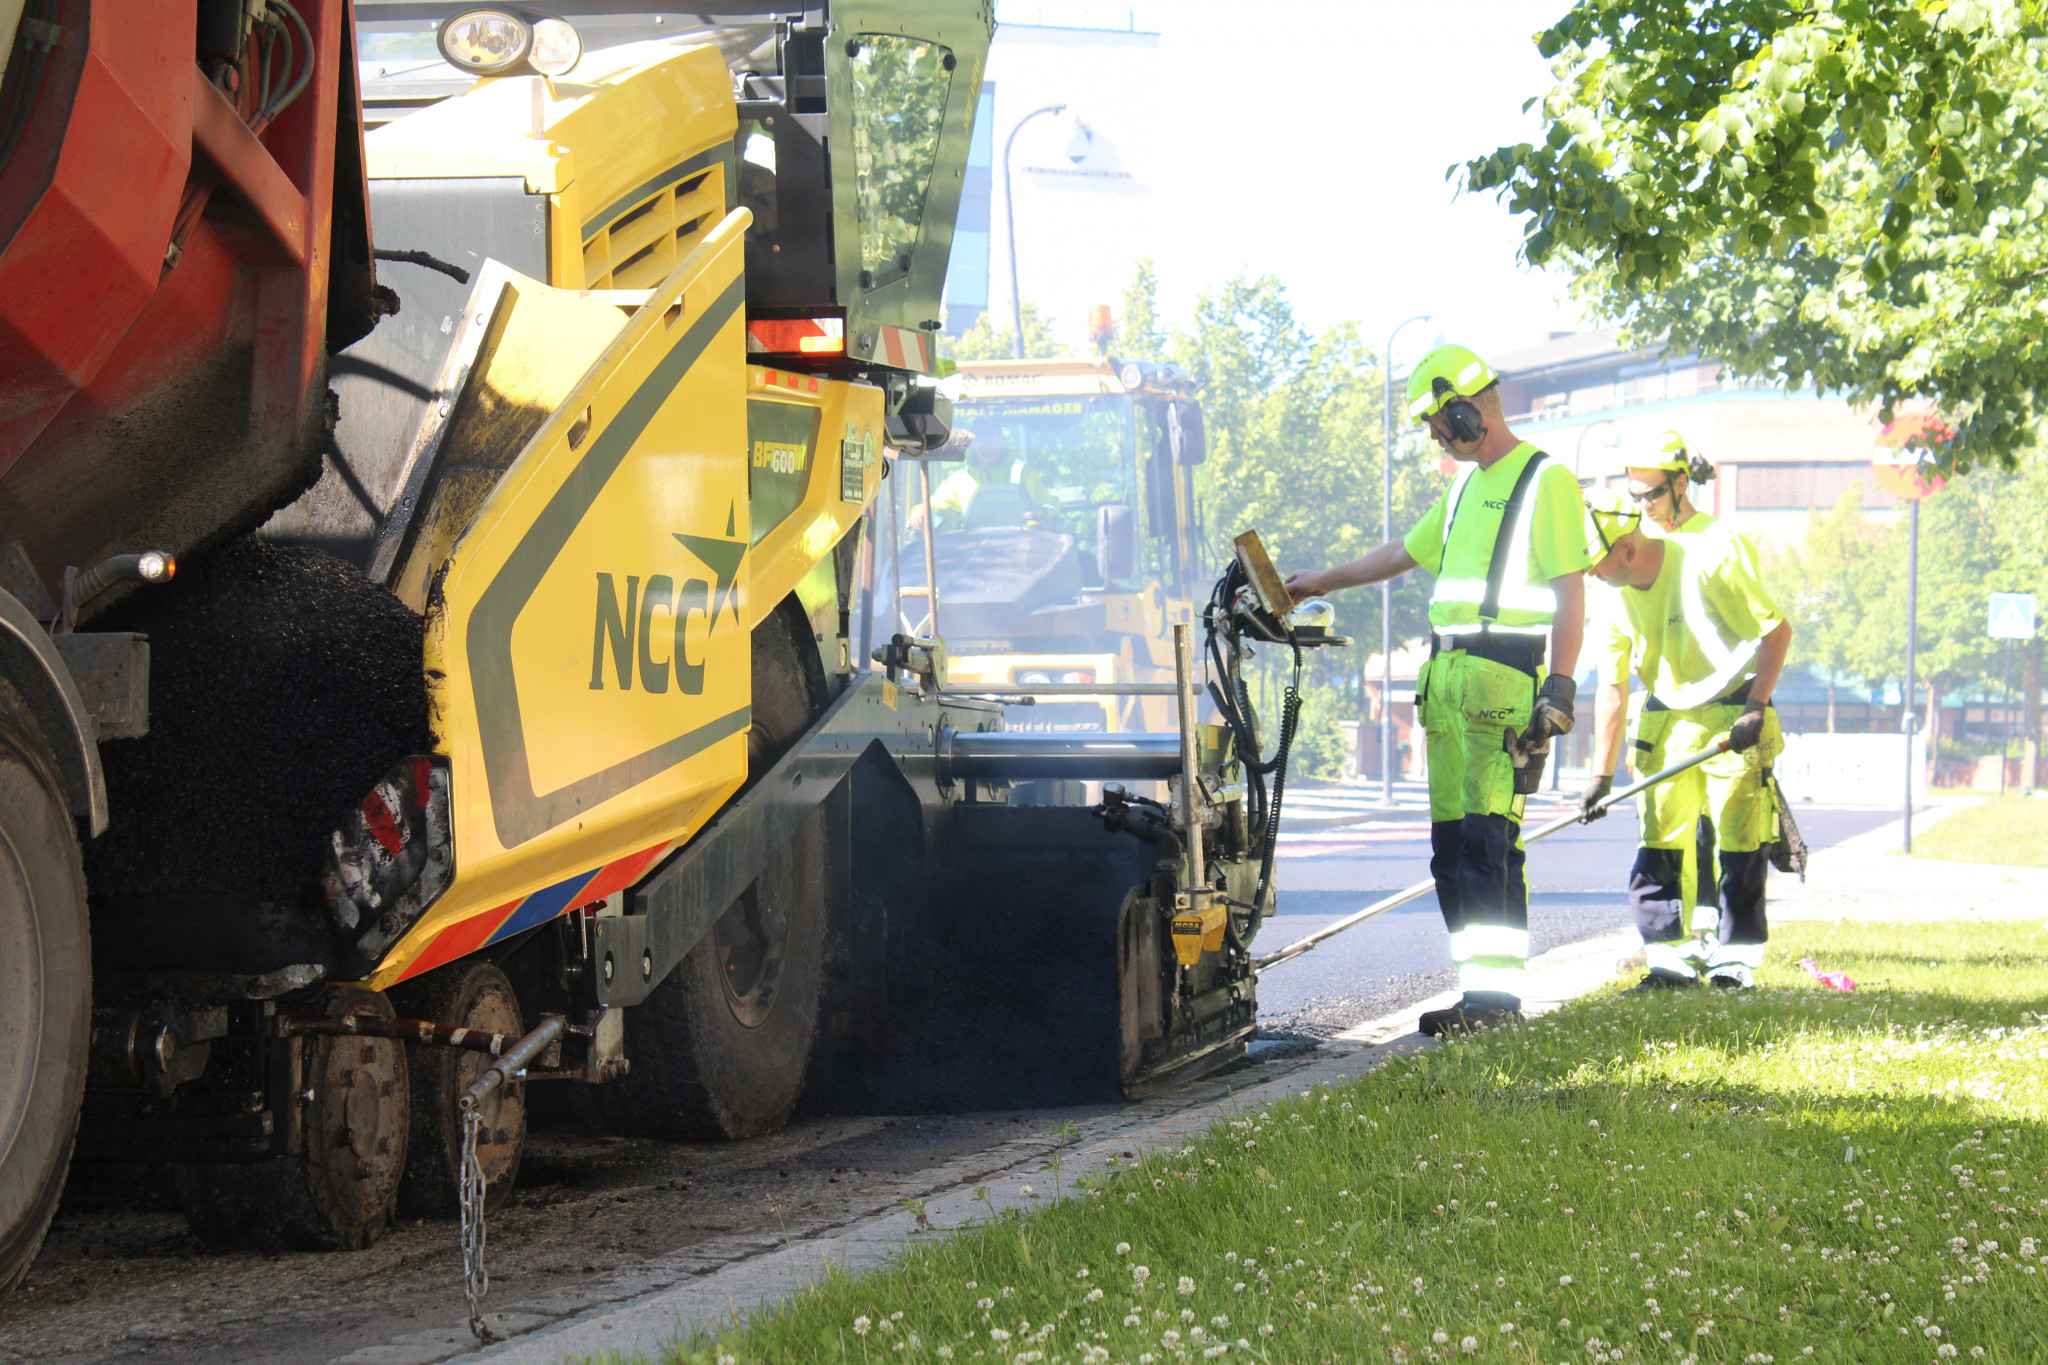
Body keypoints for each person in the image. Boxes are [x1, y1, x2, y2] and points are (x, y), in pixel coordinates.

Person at [1283, 344, 1590, 1034]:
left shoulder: (1547, 481)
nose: (1433, 435)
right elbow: (1399, 554)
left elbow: (1571, 590)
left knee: (1488, 844)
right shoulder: (1458, 489)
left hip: (1500, 684)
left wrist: (1561, 686)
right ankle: (1480, 992)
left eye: (1436, 420)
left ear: (1467, 407)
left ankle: (1496, 1004)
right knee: (1452, 849)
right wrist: (1320, 580)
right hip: (1448, 687)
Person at [1578, 478, 1794, 990]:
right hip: (1667, 719)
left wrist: (1756, 707)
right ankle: (1670, 962)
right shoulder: (1612, 601)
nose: (1588, 571)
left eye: (1595, 561)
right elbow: (1612, 689)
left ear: (1628, 548)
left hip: (1732, 715)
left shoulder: (1708, 562)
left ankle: (1735, 962)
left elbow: (1776, 631)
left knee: (1740, 839)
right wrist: (1599, 776)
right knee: (1660, 840)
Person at [910, 421, 1046, 534]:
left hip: (1020, 550)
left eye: (988, 435)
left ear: (1001, 439)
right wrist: (921, 511)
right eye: (977, 436)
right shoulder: (960, 480)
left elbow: (1047, 506)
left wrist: (1042, 514)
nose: (982, 441)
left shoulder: (1023, 473)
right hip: (972, 555)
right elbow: (936, 506)